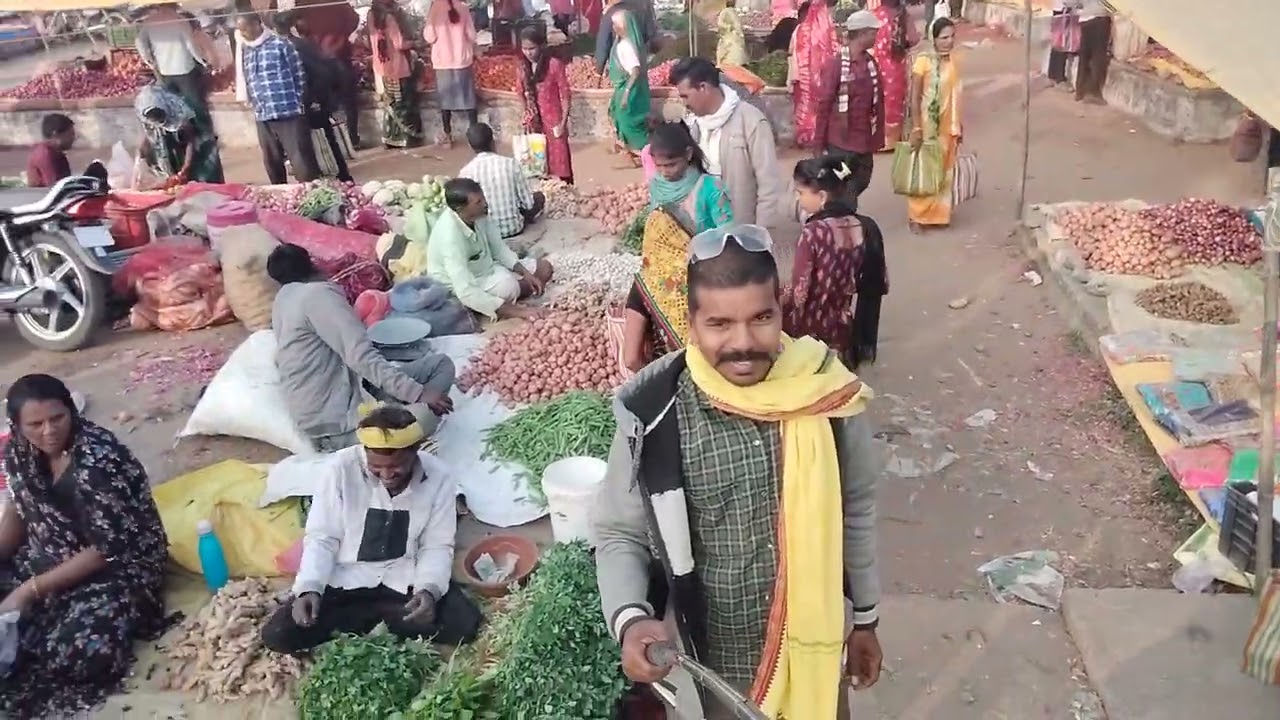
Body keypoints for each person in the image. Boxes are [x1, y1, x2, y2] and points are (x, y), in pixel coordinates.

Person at [594, 229, 883, 720]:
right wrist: (630, 618)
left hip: (814, 649)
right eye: (720, 324)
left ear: (781, 310)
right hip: (716, 671)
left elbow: (855, 509)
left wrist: (866, 620)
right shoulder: (656, 413)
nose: (743, 343)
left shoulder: (825, 393)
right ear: (692, 324)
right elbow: (620, 532)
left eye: (761, 318)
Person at [0, 374, 169, 719]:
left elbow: (106, 549)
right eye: (35, 424)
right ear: (16, 426)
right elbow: (19, 507)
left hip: (117, 569)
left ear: (71, 412)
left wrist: (28, 591)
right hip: (50, 552)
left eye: (57, 418)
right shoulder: (18, 451)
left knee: (78, 650)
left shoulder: (97, 460)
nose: (49, 431)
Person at [261, 404, 482, 654]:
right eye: (377, 467)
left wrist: (428, 591)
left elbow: (436, 546)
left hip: (403, 580)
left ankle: (372, 620)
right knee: (278, 635)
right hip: (346, 580)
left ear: (415, 451)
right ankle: (383, 619)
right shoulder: (340, 469)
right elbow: (323, 537)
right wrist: (310, 587)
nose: (386, 475)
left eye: (396, 466)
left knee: (464, 624)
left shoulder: (439, 477)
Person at [267, 243, 456, 451]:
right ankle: (397, 429)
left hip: (355, 387)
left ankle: (397, 412)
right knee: (423, 418)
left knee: (441, 365)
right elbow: (361, 356)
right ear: (312, 262)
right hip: (334, 420)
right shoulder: (317, 296)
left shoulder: (283, 298)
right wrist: (417, 394)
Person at [622, 121, 734, 372]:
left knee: (696, 358)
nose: (664, 172)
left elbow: (728, 237)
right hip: (654, 277)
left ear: (688, 154)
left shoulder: (710, 188)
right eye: (659, 165)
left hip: (698, 279)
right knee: (631, 358)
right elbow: (657, 232)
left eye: (671, 164)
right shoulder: (656, 187)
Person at [786, 157, 888, 368]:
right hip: (842, 325)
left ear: (822, 196)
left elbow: (800, 292)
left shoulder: (813, 232)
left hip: (810, 327)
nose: (798, 199)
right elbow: (877, 282)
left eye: (801, 193)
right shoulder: (865, 226)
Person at [669, 57, 786, 225]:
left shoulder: (751, 121)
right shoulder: (691, 125)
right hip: (703, 229)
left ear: (703, 87)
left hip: (741, 228)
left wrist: (760, 232)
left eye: (685, 96)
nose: (684, 103)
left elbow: (769, 185)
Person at [426, 178, 554, 322]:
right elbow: (465, 289)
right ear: (460, 209)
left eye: (483, 198)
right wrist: (519, 312)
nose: (485, 204)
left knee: (544, 267)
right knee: (508, 286)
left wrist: (525, 273)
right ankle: (494, 305)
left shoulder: (480, 215)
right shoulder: (450, 237)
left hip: (487, 267)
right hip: (462, 282)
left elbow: (499, 249)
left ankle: (503, 299)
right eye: (478, 202)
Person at [237, 12, 321, 184]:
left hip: (288, 111)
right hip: (263, 114)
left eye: (245, 29)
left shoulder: (281, 44)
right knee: (272, 161)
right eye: (240, 30)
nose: (243, 33)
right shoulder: (246, 50)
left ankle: (308, 191)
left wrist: (298, 102)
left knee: (301, 161)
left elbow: (299, 75)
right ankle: (280, 193)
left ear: (257, 24)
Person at [274, 12, 354, 181]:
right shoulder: (299, 44)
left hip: (310, 100)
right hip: (310, 100)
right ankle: (338, 175)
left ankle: (339, 175)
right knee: (321, 139)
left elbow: (317, 73)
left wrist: (314, 99)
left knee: (321, 139)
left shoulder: (295, 47)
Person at [814, 11, 884, 199]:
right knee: (843, 189)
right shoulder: (835, 65)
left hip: (863, 140)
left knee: (862, 180)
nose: (876, 38)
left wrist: (878, 137)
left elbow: (878, 102)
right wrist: (818, 143)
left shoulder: (870, 64)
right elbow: (824, 104)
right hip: (840, 142)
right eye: (873, 33)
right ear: (862, 34)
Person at [907, 17, 962, 231]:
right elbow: (914, 97)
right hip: (927, 125)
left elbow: (955, 94)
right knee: (925, 170)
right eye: (944, 37)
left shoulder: (952, 61)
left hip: (948, 126)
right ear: (933, 38)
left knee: (944, 171)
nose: (949, 42)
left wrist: (959, 124)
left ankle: (938, 215)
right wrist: (916, 127)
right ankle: (917, 216)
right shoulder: (923, 61)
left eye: (952, 37)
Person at [458, 123, 546, 238]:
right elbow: (528, 204)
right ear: (492, 141)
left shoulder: (465, 172)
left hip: (487, 233)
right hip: (514, 228)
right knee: (539, 197)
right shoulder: (511, 164)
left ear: (470, 146)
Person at [294, 0, 362, 148]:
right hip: (340, 56)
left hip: (319, 61)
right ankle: (352, 139)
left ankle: (334, 143)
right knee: (349, 102)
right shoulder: (338, 3)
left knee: (325, 104)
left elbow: (300, 26)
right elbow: (354, 19)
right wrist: (342, 33)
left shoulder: (304, 4)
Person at [135, 84, 226, 187]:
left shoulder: (179, 112)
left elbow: (190, 142)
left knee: (202, 174)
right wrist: (139, 159)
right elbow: (147, 136)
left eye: (157, 117)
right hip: (172, 138)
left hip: (197, 139)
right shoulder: (145, 109)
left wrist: (186, 167)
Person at [516, 25, 575, 184]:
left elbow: (565, 95)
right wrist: (526, 113)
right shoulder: (522, 67)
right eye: (524, 49)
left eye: (532, 48)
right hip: (534, 124)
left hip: (554, 122)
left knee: (560, 163)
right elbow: (519, 92)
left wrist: (562, 123)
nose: (528, 53)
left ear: (541, 46)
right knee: (537, 164)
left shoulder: (554, 65)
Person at [135, 4, 211, 124]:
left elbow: (139, 41)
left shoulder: (149, 22)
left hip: (165, 70)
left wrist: (149, 60)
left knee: (172, 104)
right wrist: (203, 61)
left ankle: (181, 129)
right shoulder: (180, 21)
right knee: (194, 102)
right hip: (184, 69)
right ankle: (203, 129)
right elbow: (190, 45)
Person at [368, 0, 424, 149]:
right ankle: (406, 138)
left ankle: (390, 138)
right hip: (398, 67)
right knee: (403, 103)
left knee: (391, 103)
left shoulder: (371, 15)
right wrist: (415, 43)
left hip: (382, 67)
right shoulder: (389, 18)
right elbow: (399, 44)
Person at [424, 0, 479, 146]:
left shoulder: (435, 8)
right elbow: (472, 35)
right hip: (462, 60)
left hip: (442, 62)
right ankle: (474, 135)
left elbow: (429, 36)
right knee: (469, 100)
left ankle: (448, 135)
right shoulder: (463, 8)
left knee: (445, 102)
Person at [789, 0, 838, 149]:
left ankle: (805, 137)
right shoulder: (829, 30)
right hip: (823, 78)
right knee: (822, 106)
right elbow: (835, 52)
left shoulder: (800, 29)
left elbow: (792, 52)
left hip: (804, 79)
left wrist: (795, 76)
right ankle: (821, 137)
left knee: (805, 106)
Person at [606, 5, 651, 166]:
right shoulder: (623, 44)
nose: (613, 27)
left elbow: (635, 71)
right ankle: (630, 153)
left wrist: (626, 92)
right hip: (625, 89)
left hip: (629, 90)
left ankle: (647, 152)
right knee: (622, 120)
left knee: (629, 123)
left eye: (616, 24)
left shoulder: (626, 46)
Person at [871, 0, 918, 150]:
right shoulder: (903, 14)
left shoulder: (875, 15)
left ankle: (878, 139)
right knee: (895, 101)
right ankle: (892, 139)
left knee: (878, 100)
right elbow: (914, 39)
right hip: (897, 66)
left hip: (876, 66)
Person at [594, 0, 658, 74]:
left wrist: (599, 71)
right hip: (642, 61)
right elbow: (651, 34)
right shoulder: (644, 6)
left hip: (620, 65)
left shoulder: (612, 14)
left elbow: (603, 45)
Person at [1074, 0, 1112, 105]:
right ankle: (1093, 92)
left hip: (1084, 18)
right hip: (1099, 17)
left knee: (1084, 56)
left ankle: (1080, 90)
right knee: (1098, 57)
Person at [25, 114, 75, 188]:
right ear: (56, 134)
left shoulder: (58, 154)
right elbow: (54, 187)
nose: (73, 138)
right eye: (70, 134)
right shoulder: (44, 154)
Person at [716, 0, 747, 68]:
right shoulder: (725, 11)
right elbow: (720, 24)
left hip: (736, 37)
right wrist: (729, 27)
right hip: (729, 38)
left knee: (738, 54)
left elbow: (737, 24)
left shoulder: (734, 11)